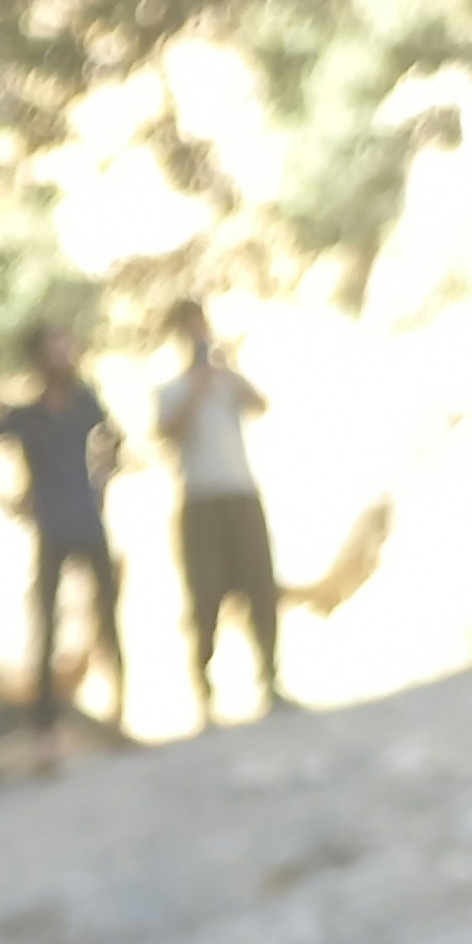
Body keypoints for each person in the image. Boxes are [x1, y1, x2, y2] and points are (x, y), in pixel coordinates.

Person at [0, 324, 121, 724]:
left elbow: (115, 441)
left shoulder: (85, 403)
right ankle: (46, 728)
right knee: (47, 627)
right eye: (55, 348)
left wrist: (101, 482)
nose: (64, 355)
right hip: (52, 528)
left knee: (109, 617)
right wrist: (9, 502)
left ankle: (119, 714)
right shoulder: (25, 418)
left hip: (88, 522)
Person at [158, 301, 283, 719]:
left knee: (260, 585)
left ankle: (271, 679)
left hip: (241, 492)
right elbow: (169, 432)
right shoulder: (172, 388)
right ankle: (205, 693)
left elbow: (261, 405)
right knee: (205, 596)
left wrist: (227, 370)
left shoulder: (228, 381)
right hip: (200, 500)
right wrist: (197, 386)